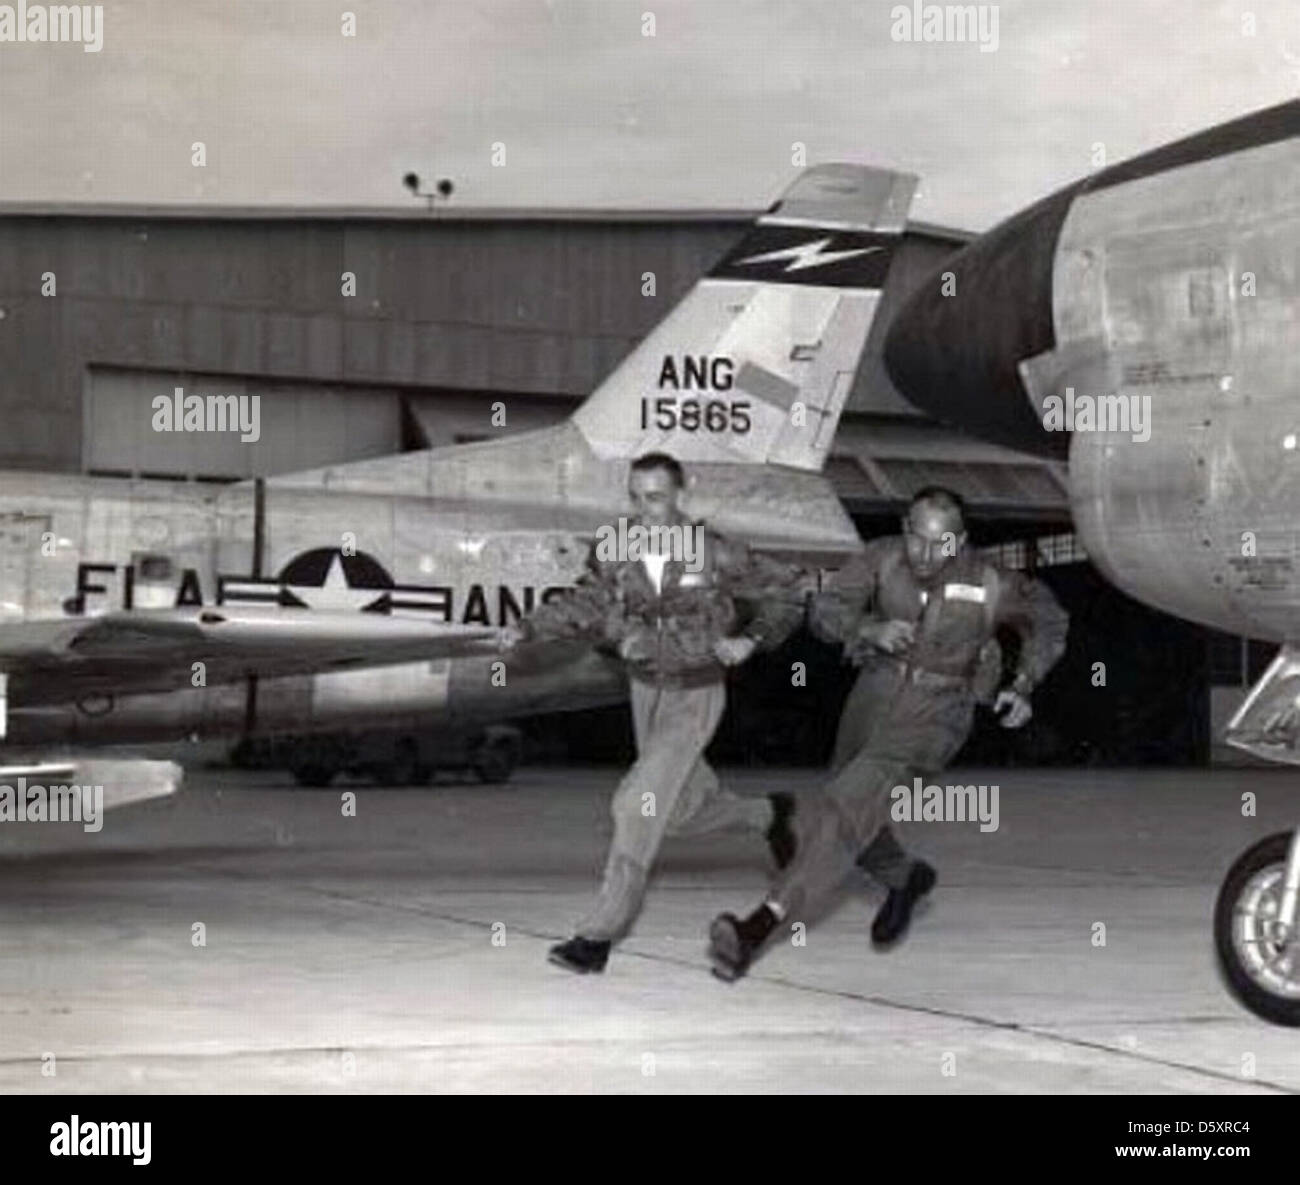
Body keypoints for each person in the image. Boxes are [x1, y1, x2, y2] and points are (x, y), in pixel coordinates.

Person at [707, 486, 1069, 981]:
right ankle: (906, 879)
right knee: (855, 808)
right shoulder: (879, 560)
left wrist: (1024, 684)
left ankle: (756, 928)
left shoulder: (990, 581)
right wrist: (868, 630)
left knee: (842, 812)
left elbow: (1048, 620)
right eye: (918, 539)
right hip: (873, 695)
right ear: (905, 530)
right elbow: (826, 612)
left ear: (959, 541)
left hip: (937, 713)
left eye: (941, 544)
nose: (927, 554)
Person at [501, 452, 804, 974]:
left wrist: (750, 640)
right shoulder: (618, 545)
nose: (646, 511)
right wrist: (528, 628)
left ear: (682, 496)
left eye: (657, 499)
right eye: (637, 499)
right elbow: (587, 603)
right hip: (645, 690)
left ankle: (598, 936)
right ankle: (768, 814)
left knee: (636, 804)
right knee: (680, 813)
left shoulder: (714, 552)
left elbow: (788, 590)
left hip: (696, 692)